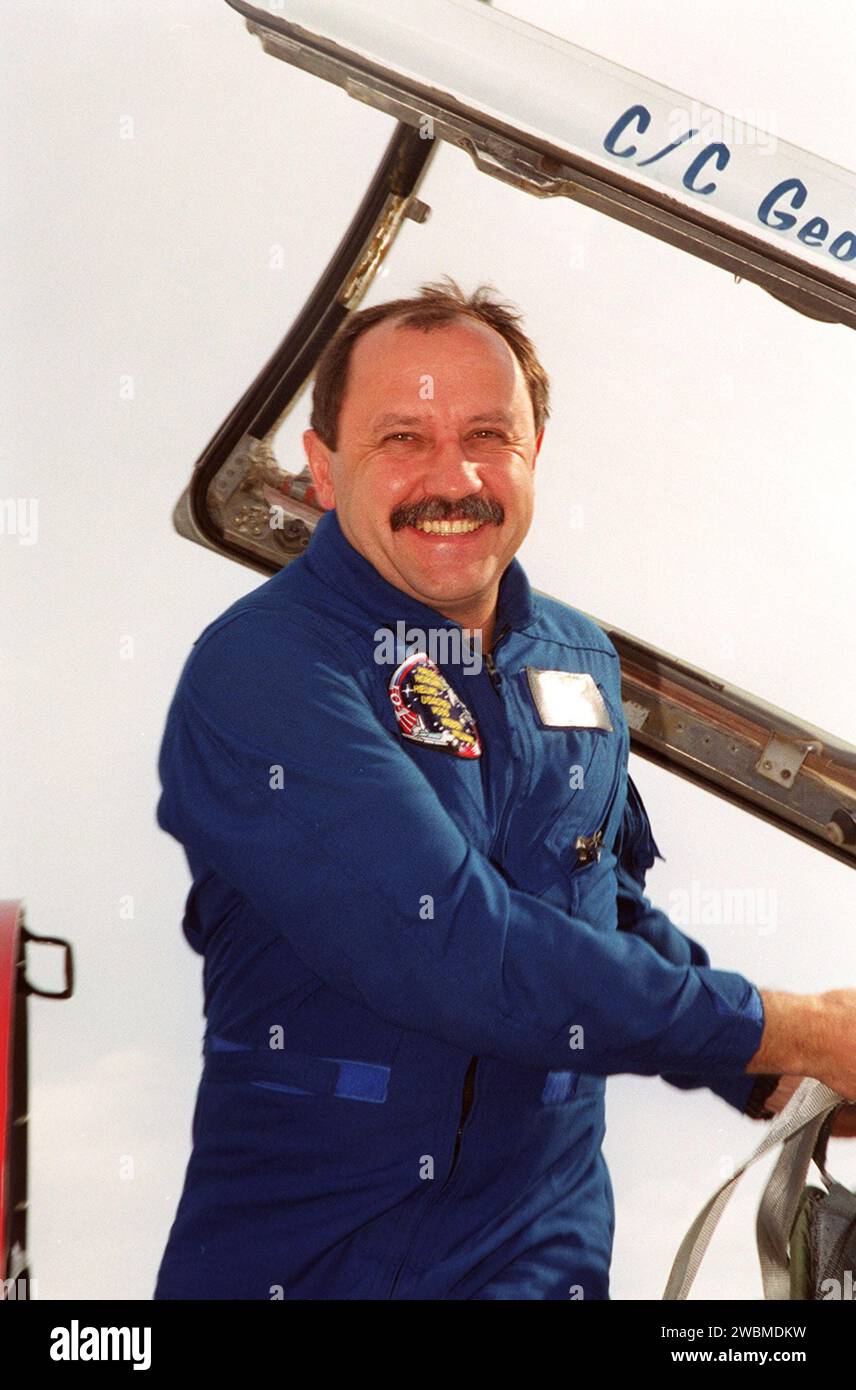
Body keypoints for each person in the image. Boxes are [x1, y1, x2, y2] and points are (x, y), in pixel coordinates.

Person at [153, 277, 856, 1301]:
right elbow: (452, 947)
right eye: (403, 438)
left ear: (534, 456)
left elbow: (600, 906)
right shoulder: (263, 674)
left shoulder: (576, 661)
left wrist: (765, 1074)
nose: (454, 477)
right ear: (321, 464)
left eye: (488, 434)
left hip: (540, 1256)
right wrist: (780, 1023)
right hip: (316, 1261)